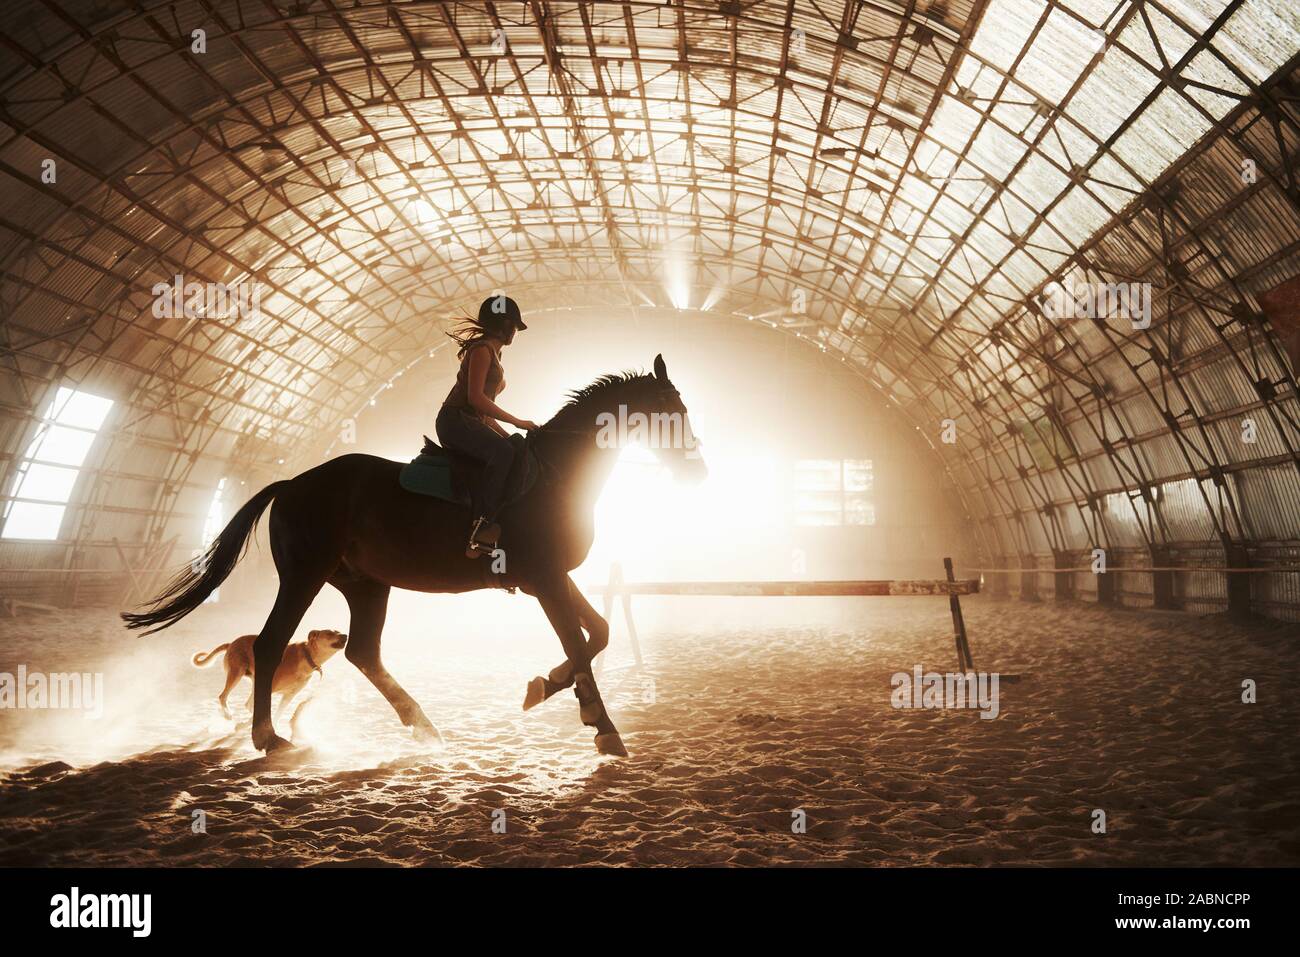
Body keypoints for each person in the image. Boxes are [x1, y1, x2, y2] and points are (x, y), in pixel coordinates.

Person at [436, 294, 539, 558]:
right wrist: (517, 422)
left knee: (510, 448)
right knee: (503, 453)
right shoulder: (481, 351)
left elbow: (484, 415)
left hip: (470, 421)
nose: (516, 332)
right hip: (455, 420)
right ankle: (481, 525)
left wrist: (510, 435)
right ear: (504, 324)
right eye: (514, 326)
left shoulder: (495, 355)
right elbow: (476, 400)